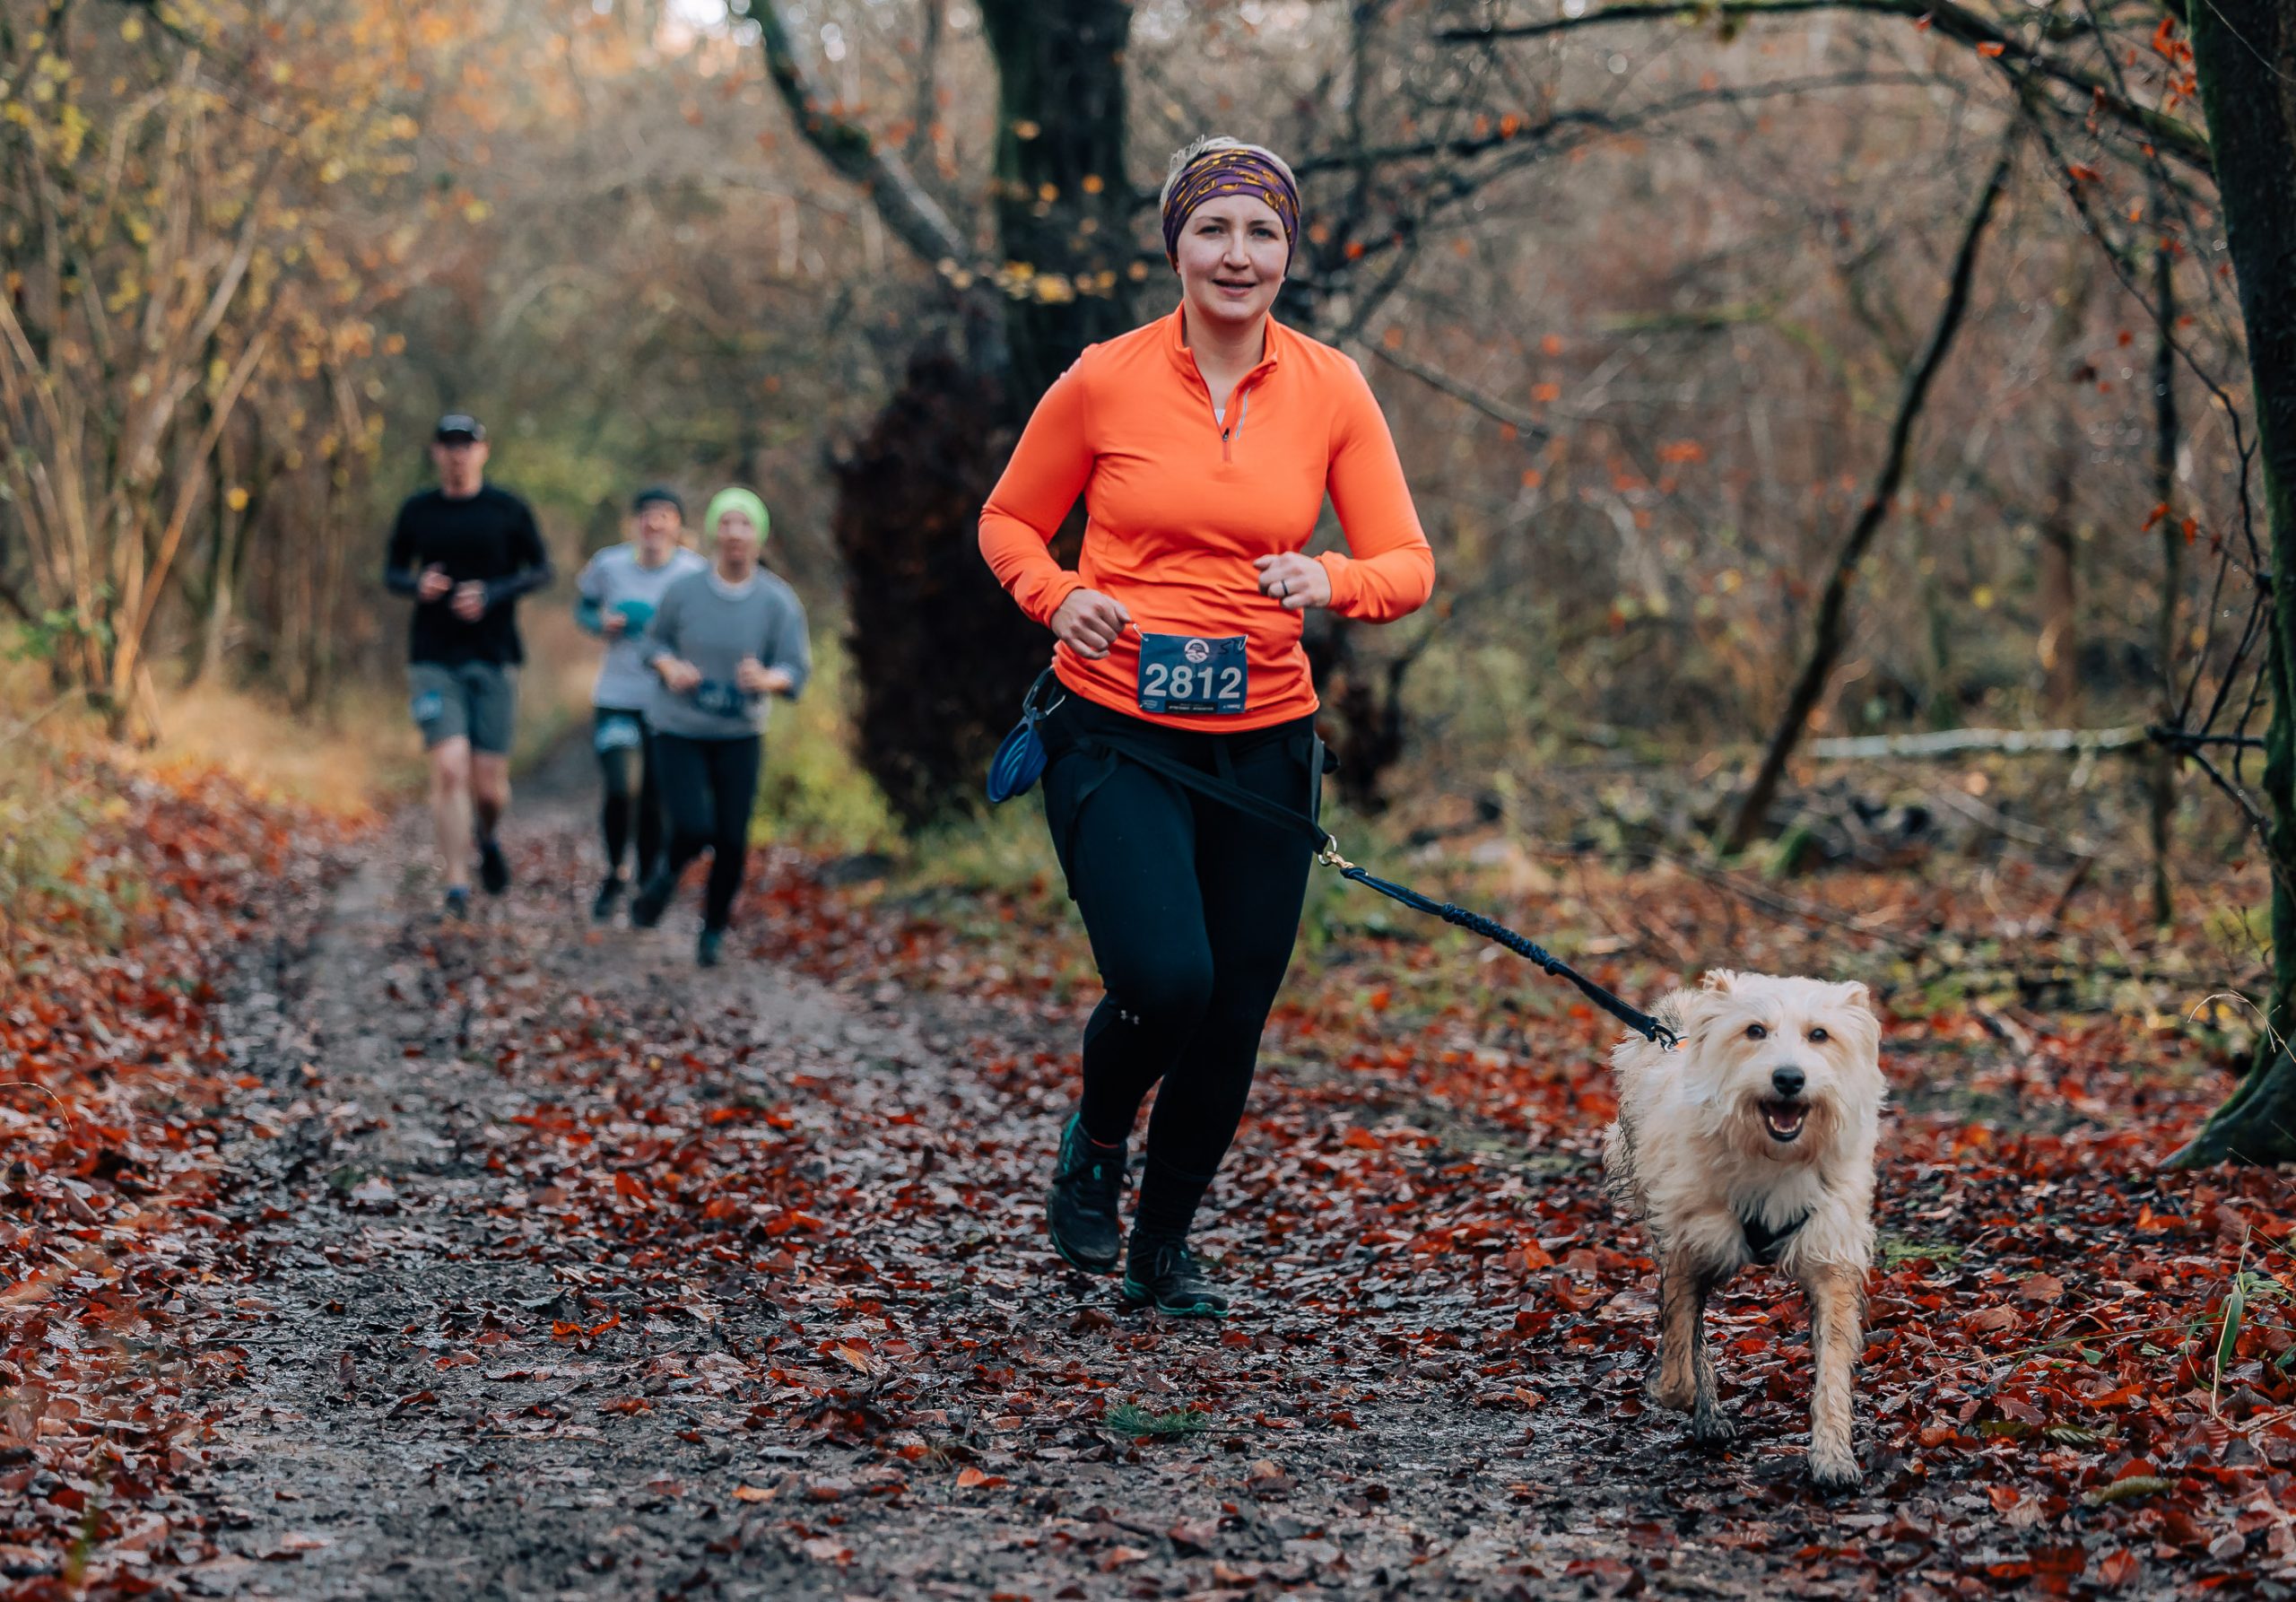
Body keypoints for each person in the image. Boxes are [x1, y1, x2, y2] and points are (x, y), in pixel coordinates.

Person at [978, 136, 1436, 1316]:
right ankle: (1095, 1131)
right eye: (1215, 229)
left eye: (1263, 233)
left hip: (1266, 746)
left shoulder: (1332, 387)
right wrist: (1060, 594)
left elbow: (1405, 562)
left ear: (1290, 252)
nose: (1239, 255)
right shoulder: (1103, 380)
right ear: (1176, 244)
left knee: (1232, 1010)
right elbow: (1010, 522)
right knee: (1166, 978)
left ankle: (1161, 1247)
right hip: (1117, 728)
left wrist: (1331, 580)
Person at [630, 488, 811, 967]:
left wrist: (766, 679)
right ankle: (663, 879)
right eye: (726, 523)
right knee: (691, 826)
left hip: (739, 734)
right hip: (679, 729)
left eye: (745, 524)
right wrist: (669, 667)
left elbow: (796, 669)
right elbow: (652, 644)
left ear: (758, 536)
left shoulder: (777, 600)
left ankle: (711, 931)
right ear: (714, 532)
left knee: (732, 838)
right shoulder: (685, 590)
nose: (735, 533)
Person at [384, 414, 552, 919]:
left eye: (467, 444)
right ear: (436, 452)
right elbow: (392, 570)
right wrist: (418, 586)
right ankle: (457, 884)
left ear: (484, 450)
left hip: (495, 655)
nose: (458, 454)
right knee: (449, 767)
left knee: (488, 786)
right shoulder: (418, 511)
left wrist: (494, 593)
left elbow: (543, 570)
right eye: (449, 445)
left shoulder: (508, 510)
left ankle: (488, 834)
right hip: (434, 657)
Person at [575, 487, 709, 922]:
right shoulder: (609, 564)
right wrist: (599, 623)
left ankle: (647, 883)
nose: (654, 523)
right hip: (616, 698)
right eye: (646, 515)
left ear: (677, 525)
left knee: (654, 798)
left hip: (669, 706)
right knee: (621, 788)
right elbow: (583, 606)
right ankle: (616, 869)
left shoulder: (694, 572)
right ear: (633, 523)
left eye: (664, 515)